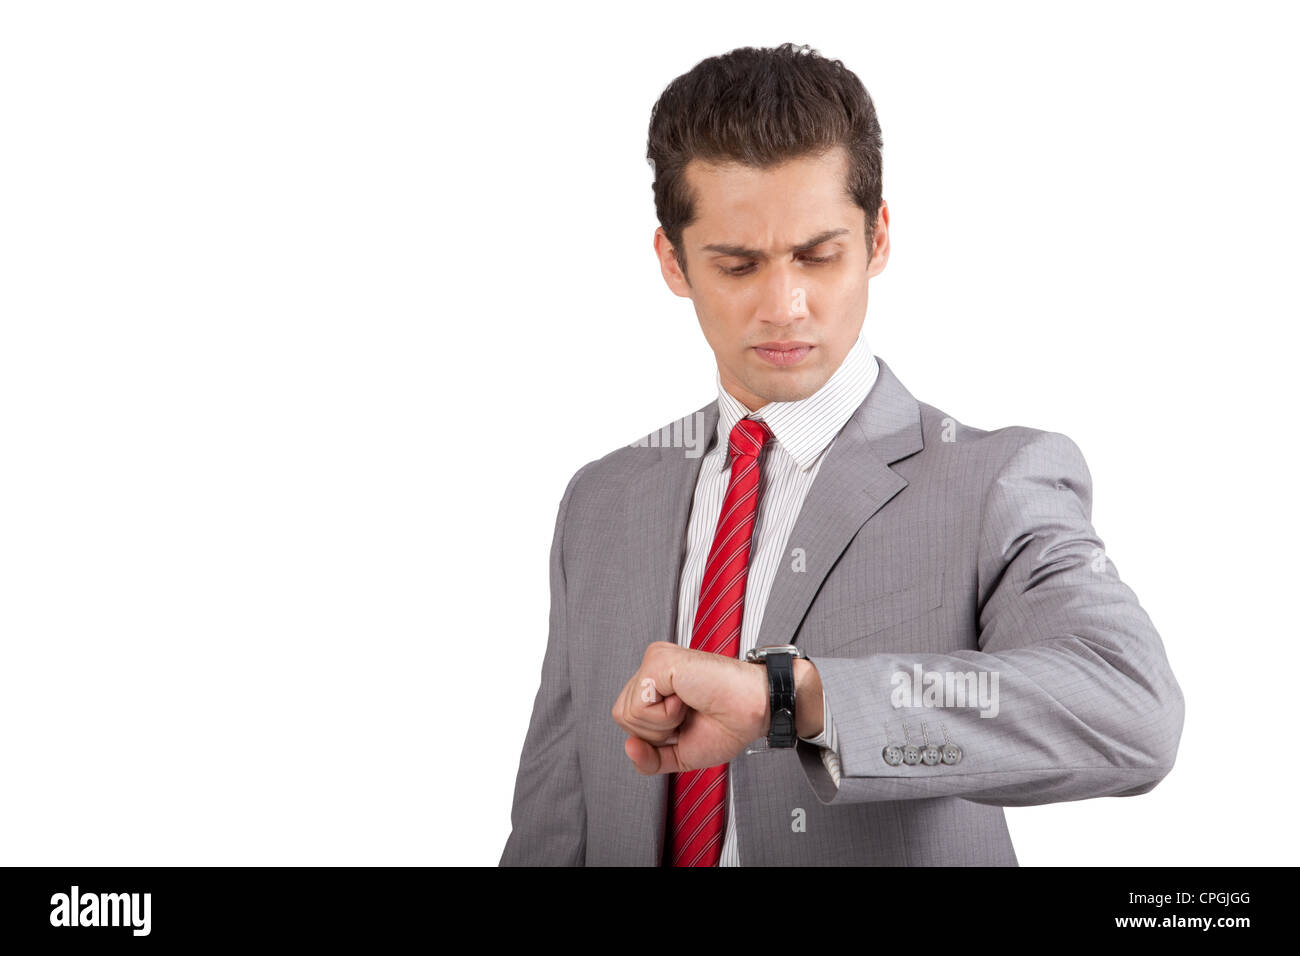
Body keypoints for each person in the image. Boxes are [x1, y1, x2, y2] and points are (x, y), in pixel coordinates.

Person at [499, 42, 1184, 866]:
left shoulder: (991, 481)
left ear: (878, 239)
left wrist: (797, 700)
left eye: (818, 256)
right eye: (739, 264)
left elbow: (1130, 710)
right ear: (673, 263)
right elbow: (552, 829)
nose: (785, 305)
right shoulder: (602, 502)